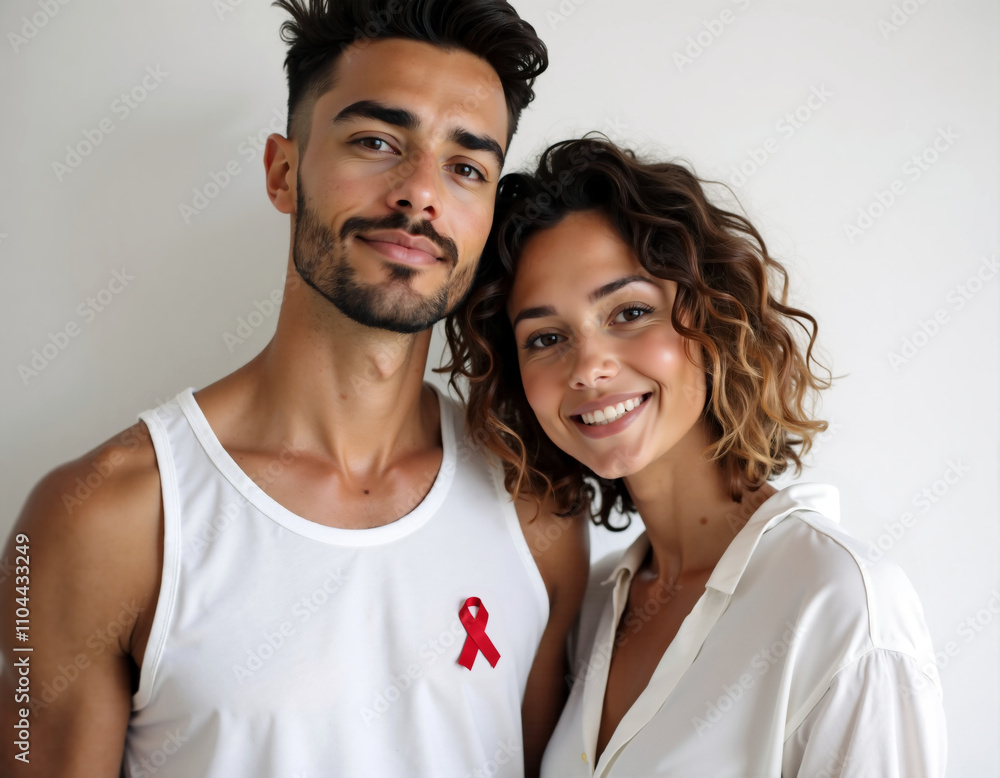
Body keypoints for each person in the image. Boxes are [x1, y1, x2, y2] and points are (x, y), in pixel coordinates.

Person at [0, 3, 591, 776]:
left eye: (466, 167)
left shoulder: (536, 510)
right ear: (284, 171)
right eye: (377, 142)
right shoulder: (101, 518)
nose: (420, 195)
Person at [446, 137, 947, 776]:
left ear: (712, 318)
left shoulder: (842, 603)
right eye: (545, 337)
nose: (589, 367)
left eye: (628, 312)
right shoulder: (593, 607)